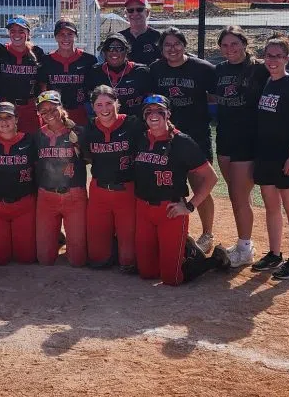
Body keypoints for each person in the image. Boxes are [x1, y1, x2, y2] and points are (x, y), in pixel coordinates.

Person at [132, 94, 230, 286]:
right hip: (143, 209)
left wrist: (190, 206)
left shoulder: (181, 141)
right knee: (147, 273)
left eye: (159, 110)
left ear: (168, 113)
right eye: (148, 111)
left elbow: (211, 177)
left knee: (171, 278)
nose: (154, 115)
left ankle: (213, 260)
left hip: (170, 210)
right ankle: (184, 248)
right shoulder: (141, 138)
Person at [250, 33, 289, 281]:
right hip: (266, 157)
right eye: (269, 55)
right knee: (271, 206)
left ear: (287, 58)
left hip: (287, 158)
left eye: (278, 56)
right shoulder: (267, 83)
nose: (273, 60)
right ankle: (275, 254)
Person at [149, 27, 218, 252]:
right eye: (167, 45)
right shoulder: (156, 69)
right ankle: (176, 230)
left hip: (196, 134)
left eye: (177, 44)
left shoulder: (203, 68)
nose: (173, 49)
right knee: (171, 183)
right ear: (161, 49)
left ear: (184, 45)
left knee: (200, 185)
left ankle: (207, 234)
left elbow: (219, 93)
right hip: (167, 137)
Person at [214, 26, 271, 268]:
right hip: (224, 137)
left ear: (244, 43)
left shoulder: (259, 69)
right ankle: (243, 244)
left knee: (240, 195)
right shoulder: (219, 70)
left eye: (234, 44)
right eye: (225, 45)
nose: (230, 49)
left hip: (247, 139)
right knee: (234, 194)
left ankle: (245, 247)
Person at [83, 85, 142, 271]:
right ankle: (112, 246)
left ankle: (120, 247)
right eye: (99, 105)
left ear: (118, 103)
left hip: (127, 189)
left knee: (129, 260)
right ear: (93, 107)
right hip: (99, 191)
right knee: (97, 258)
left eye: (109, 103)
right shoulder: (89, 129)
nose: (105, 109)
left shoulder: (133, 124)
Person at [33, 90, 87, 266]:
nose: (49, 114)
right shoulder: (37, 136)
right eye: (44, 111)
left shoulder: (78, 132)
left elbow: (94, 159)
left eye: (53, 108)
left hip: (74, 194)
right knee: (45, 259)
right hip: (47, 196)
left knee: (78, 260)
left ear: (61, 107)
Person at [0, 101, 37, 264]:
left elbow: (39, 169)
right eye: (0, 118)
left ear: (17, 119)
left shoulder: (29, 141)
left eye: (9, 117)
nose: (4, 122)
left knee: (26, 258)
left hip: (23, 205)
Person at [38, 20, 98, 126]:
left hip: (80, 111)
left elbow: (94, 89)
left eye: (70, 34)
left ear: (75, 36)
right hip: (55, 113)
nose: (66, 38)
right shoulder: (46, 60)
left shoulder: (88, 60)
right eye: (61, 34)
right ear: (56, 37)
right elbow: (43, 87)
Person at [0, 16, 47, 133]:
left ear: (28, 33)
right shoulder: (1, 51)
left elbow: (43, 83)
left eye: (21, 31)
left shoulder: (37, 53)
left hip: (30, 107)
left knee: (32, 144)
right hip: (6, 107)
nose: (16, 34)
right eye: (12, 31)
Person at [85, 33, 151, 117]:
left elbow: (151, 99)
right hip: (104, 121)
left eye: (119, 48)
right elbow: (89, 101)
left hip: (134, 122)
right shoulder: (95, 72)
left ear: (126, 51)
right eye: (110, 48)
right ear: (104, 52)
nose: (114, 52)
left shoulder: (141, 71)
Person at [118, 0, 161, 65]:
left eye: (139, 9)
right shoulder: (119, 38)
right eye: (130, 10)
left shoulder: (158, 37)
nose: (135, 13)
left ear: (147, 12)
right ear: (126, 14)